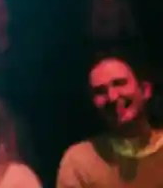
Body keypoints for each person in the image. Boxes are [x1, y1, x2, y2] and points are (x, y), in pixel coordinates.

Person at [56, 53, 162, 187]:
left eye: (119, 83)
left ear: (145, 90)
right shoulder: (80, 162)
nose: (112, 97)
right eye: (100, 91)